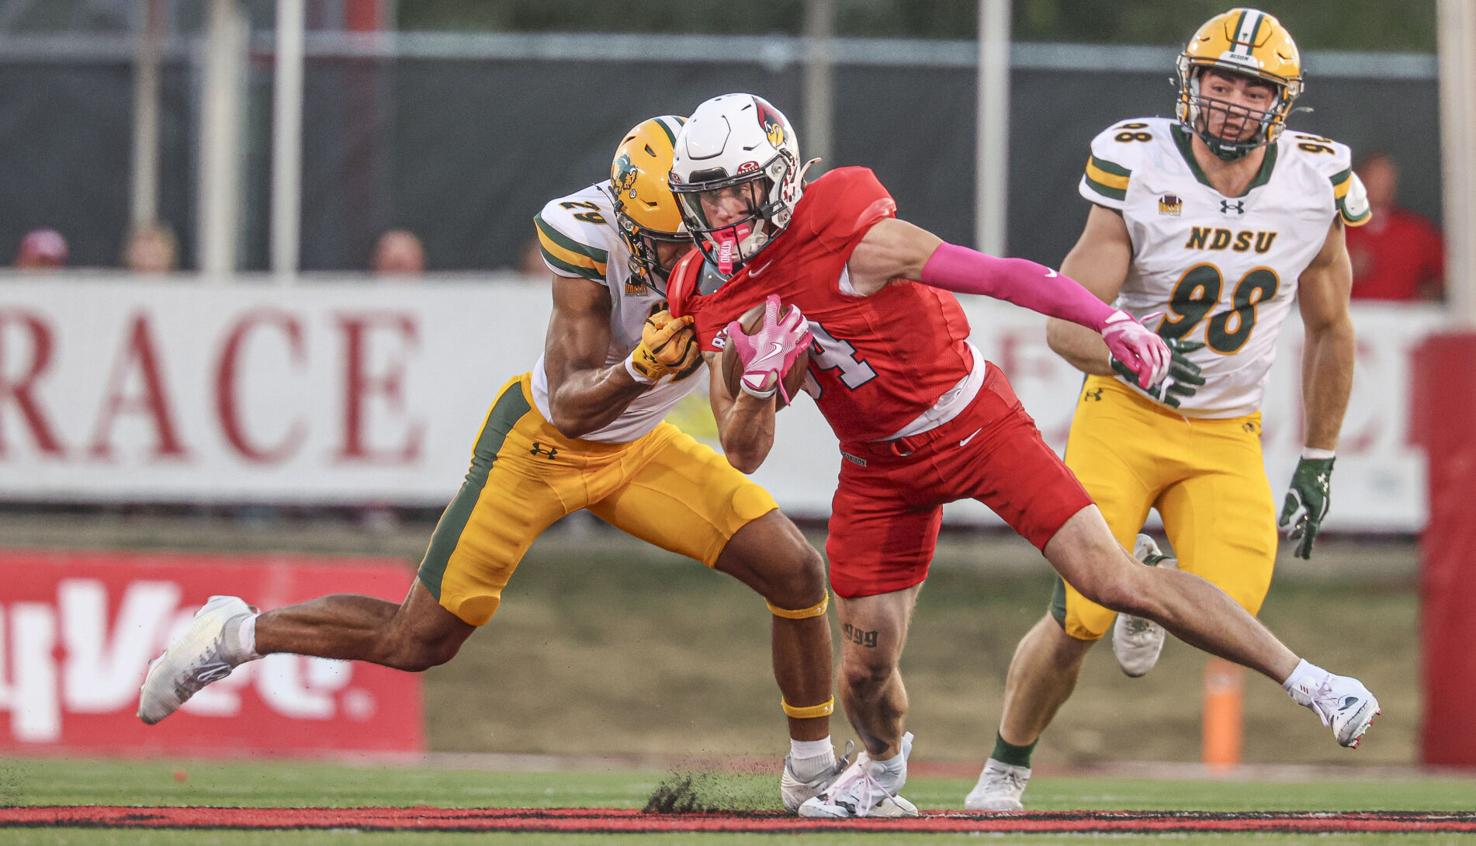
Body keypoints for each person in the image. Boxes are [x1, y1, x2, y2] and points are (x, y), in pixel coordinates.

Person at [663, 90, 1378, 819]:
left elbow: (998, 275)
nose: (721, 215)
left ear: (780, 177)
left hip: (975, 421)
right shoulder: (711, 289)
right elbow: (743, 452)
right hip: (878, 466)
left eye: (734, 192)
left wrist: (1107, 320)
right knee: (863, 670)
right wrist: (753, 387)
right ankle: (880, 768)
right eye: (705, 198)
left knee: (1110, 579)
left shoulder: (850, 229)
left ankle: (1313, 682)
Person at [138, 116, 844, 814]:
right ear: (630, 223)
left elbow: (740, 446)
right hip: (542, 446)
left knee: (797, 571)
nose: (689, 249)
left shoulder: (730, 242)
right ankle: (235, 633)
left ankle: (810, 770)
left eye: (694, 225)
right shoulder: (587, 234)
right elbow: (570, 406)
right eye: (666, 239)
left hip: (640, 448)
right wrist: (636, 369)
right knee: (417, 639)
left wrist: (754, 385)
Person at [964, 8, 1375, 811]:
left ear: (1282, 102)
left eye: (1250, 87)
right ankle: (1006, 768)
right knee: (1082, 611)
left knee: (1230, 611)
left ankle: (1148, 582)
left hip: (1226, 431)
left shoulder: (1315, 183)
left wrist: (1319, 457)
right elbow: (1063, 322)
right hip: (1122, 414)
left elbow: (1331, 328)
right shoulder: (1139, 163)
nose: (1229, 100)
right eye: (1218, 80)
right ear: (1191, 83)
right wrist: (1136, 358)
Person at [1345, 151, 1444, 301]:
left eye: (1387, 177)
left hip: (1405, 320)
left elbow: (1451, 272)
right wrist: (1342, 269)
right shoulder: (1338, 231)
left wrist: (1424, 299)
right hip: (1353, 318)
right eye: (1376, 177)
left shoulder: (1414, 230)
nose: (1383, 184)